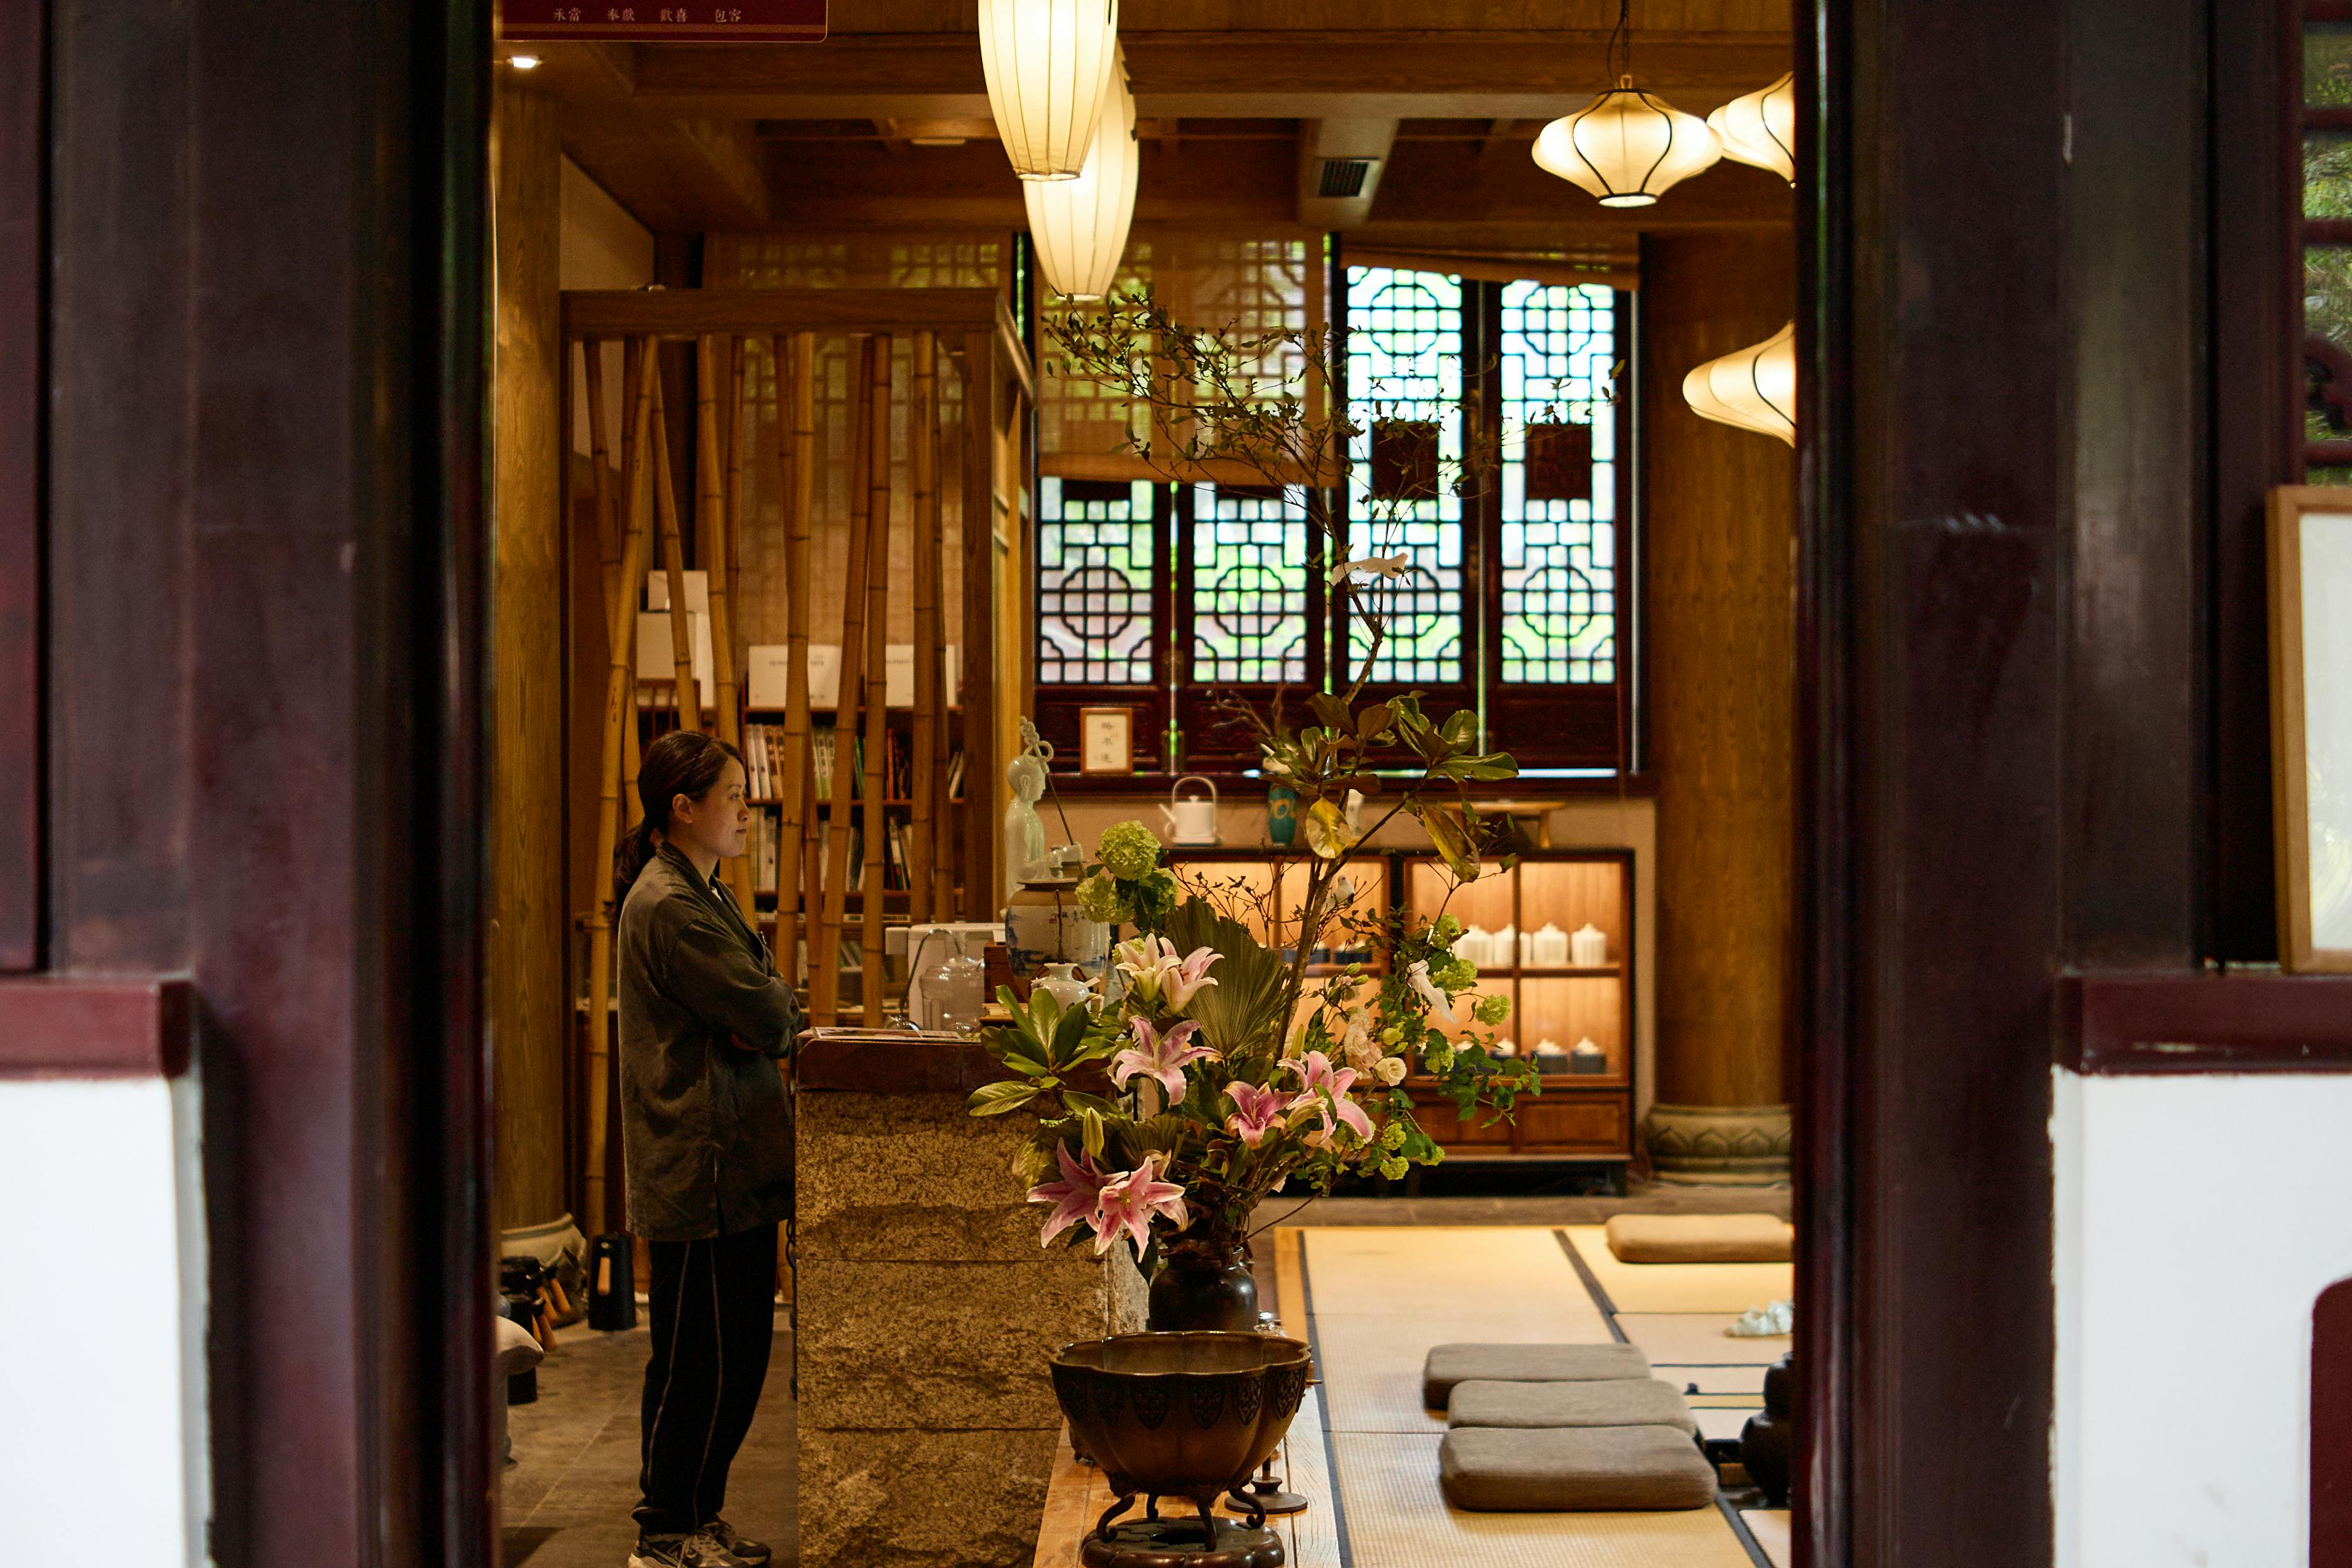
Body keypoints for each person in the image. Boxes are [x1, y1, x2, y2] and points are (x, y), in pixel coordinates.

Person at [611, 730, 801, 1568]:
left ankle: (697, 1515)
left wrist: (768, 1010)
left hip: (736, 1164)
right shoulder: (669, 904)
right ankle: (666, 1530)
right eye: (731, 795)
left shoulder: (703, 891)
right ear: (681, 809)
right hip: (700, 1163)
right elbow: (767, 1016)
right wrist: (769, 1013)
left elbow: (764, 1008)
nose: (746, 810)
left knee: (735, 1357)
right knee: (699, 1361)